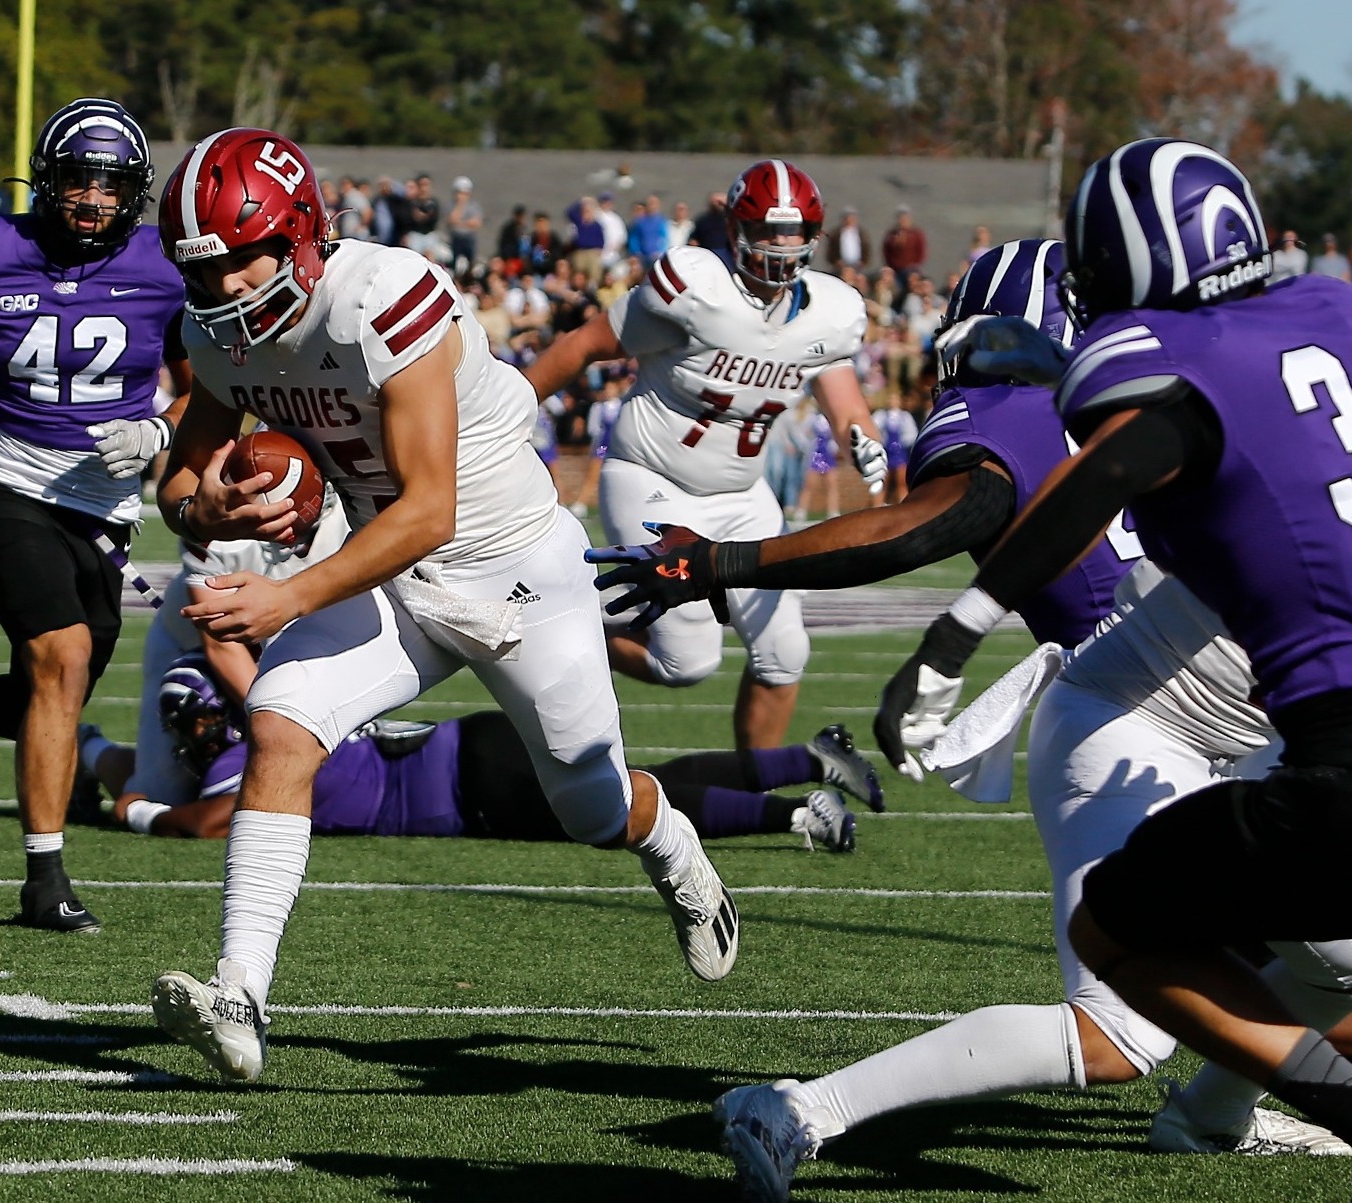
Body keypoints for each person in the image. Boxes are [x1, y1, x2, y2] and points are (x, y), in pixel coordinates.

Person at [149, 126, 742, 1084]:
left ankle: (670, 841)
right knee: (280, 723)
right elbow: (182, 482)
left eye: (234, 260)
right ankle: (239, 994)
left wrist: (287, 595)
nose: (216, 287)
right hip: (378, 566)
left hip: (514, 570)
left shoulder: (385, 297)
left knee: (590, 807)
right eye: (199, 267)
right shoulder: (215, 330)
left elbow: (430, 510)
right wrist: (200, 505)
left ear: (297, 234)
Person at [872, 137, 1352, 1150]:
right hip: (1205, 732)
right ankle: (1213, 1117)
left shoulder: (1169, 365)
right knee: (1315, 956)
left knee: (1114, 925)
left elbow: (1099, 476)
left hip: (1330, 757)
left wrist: (949, 641)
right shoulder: (1330, 310)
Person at [0, 98, 190, 934]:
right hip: (8, 488)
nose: (92, 198)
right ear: (44, 180)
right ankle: (43, 879)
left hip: (103, 505)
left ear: (135, 191)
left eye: (110, 182)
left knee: (52, 683)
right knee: (62, 655)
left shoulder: (168, 265)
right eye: (77, 179)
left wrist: (162, 424)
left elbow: (208, 388)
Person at [523, 160, 885, 748]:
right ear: (738, 228)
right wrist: (509, 409)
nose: (784, 246)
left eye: (795, 232)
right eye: (771, 230)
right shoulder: (694, 288)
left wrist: (860, 438)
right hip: (654, 478)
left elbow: (844, 403)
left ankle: (753, 789)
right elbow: (585, 344)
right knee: (685, 663)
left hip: (743, 497)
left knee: (784, 652)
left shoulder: (830, 313)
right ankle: (547, 621)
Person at [88, 654, 877, 844]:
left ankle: (797, 817)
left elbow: (212, 823)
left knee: (633, 810)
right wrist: (96, 753)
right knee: (649, 780)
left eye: (192, 721)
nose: (193, 737)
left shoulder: (252, 752)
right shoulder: (295, 709)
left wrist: (141, 811)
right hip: (475, 742)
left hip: (471, 786)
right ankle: (809, 759)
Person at [881, 205, 926, 284]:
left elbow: (921, 250)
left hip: (911, 270)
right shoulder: (892, 234)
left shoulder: (916, 234)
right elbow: (886, 250)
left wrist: (915, 264)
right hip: (895, 270)